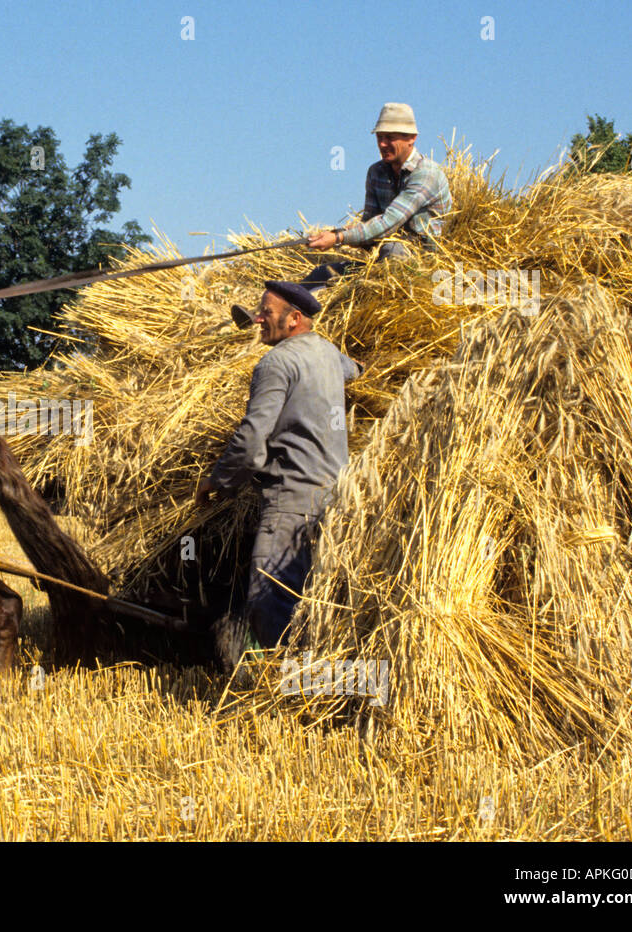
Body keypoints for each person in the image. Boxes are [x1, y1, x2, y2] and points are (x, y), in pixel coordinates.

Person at [197, 282, 361, 664]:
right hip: (335, 497)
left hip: (290, 500)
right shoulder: (328, 353)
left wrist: (218, 481)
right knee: (311, 600)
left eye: (266, 312)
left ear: (294, 319)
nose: (257, 318)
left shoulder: (275, 364)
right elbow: (353, 369)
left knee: (270, 601)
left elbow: (252, 440)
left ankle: (283, 695)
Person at [303, 102, 452, 291]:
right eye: (379, 137)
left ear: (411, 138)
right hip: (382, 258)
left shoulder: (426, 174)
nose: (382, 144)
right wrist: (333, 235)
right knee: (322, 274)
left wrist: (339, 238)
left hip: (423, 262)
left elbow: (388, 222)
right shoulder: (376, 172)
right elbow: (370, 225)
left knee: (393, 251)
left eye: (389, 138)